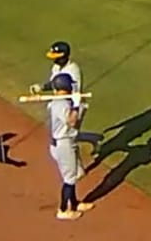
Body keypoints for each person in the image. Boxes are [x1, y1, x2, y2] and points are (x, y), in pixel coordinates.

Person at [45, 73, 95, 220]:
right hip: (63, 144)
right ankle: (63, 210)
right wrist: (76, 104)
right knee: (69, 179)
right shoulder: (60, 104)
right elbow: (72, 121)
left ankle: (74, 203)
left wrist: (78, 104)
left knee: (78, 173)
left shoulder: (62, 101)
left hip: (69, 141)